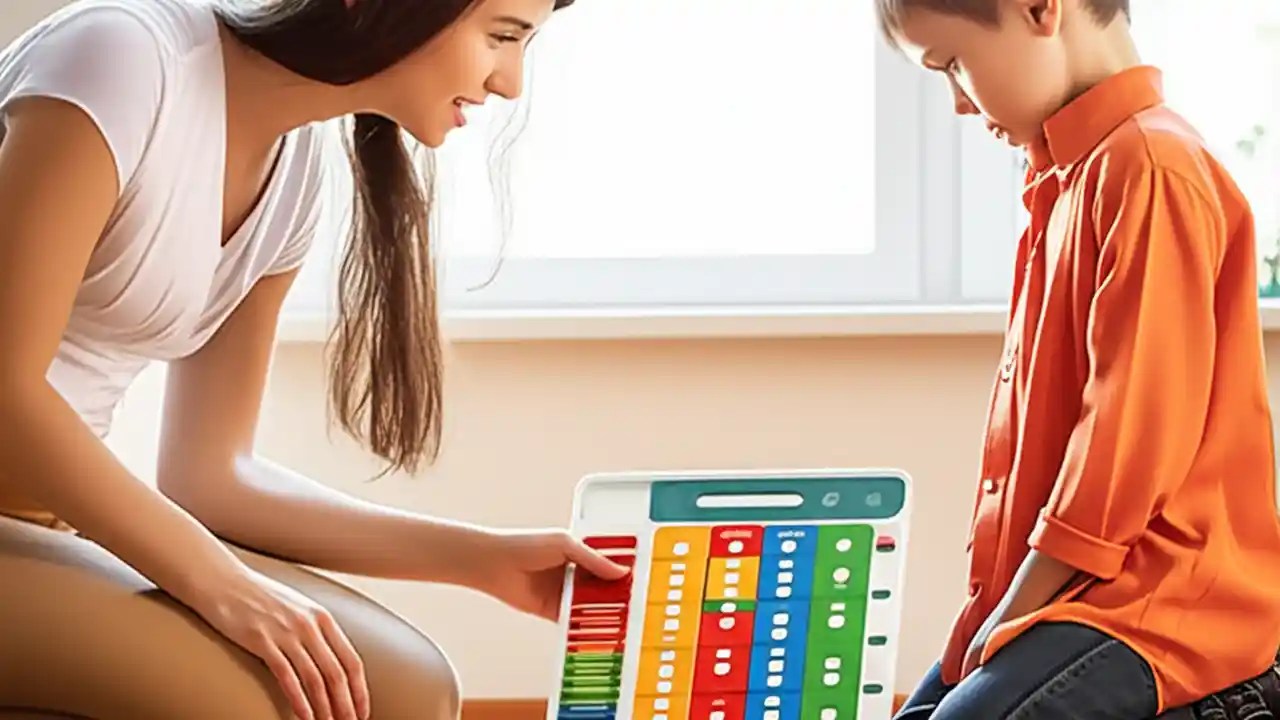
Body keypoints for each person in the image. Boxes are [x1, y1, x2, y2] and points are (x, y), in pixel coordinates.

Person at [0, 0, 629, 719]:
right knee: (265, 705)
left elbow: (211, 476)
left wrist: (483, 560)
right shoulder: (123, 61)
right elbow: (6, 394)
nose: (511, 82)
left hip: (44, 527)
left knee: (412, 687)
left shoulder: (293, 173)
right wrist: (222, 584)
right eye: (503, 37)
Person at [876, 0, 1280, 718]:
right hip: (1081, 598)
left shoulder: (1151, 166)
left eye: (955, 65)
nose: (960, 105)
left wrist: (1009, 617)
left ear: (1039, 8)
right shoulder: (1070, 177)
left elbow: (1120, 454)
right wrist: (993, 618)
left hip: (1162, 609)